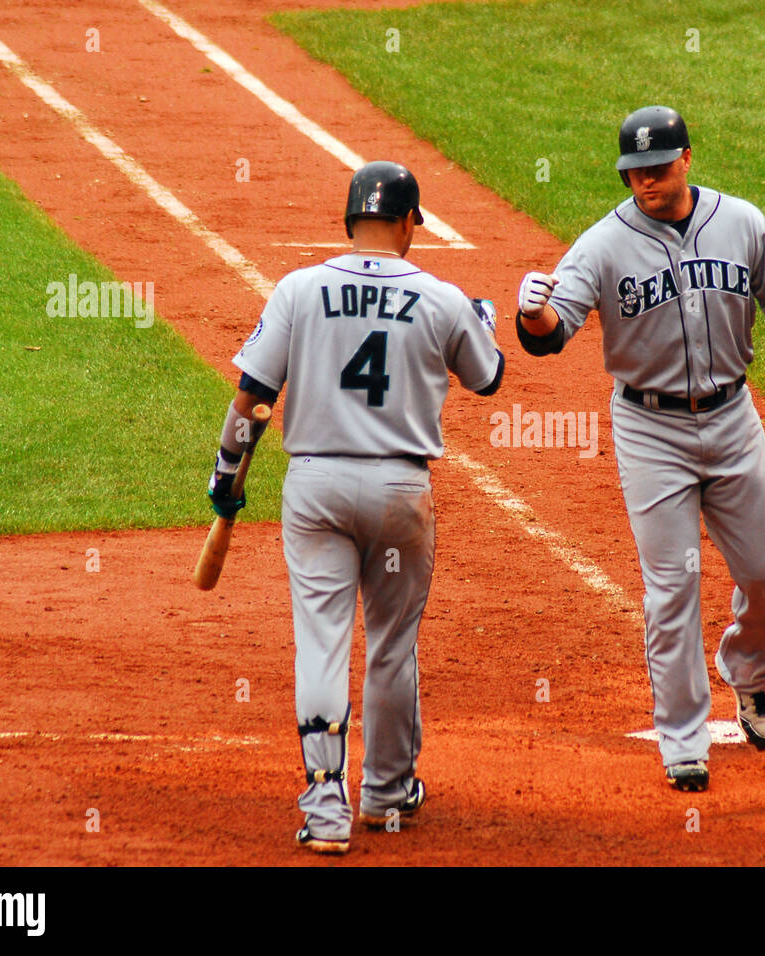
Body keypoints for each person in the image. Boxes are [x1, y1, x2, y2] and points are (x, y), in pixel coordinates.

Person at [514, 106, 765, 792]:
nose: (645, 183)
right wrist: (530, 311)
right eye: (634, 173)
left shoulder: (743, 223)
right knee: (671, 588)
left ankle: (749, 674)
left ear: (688, 158)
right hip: (649, 429)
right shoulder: (601, 244)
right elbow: (548, 336)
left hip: (733, 419)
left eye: (657, 169)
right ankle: (683, 740)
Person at [206, 161, 504, 852]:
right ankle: (388, 792)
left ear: (348, 220)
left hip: (316, 488)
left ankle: (324, 803)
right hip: (401, 492)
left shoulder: (298, 289)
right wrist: (480, 323)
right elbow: (488, 379)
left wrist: (228, 474)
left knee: (322, 638)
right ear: (407, 223)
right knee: (393, 645)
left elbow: (253, 398)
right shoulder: (441, 296)